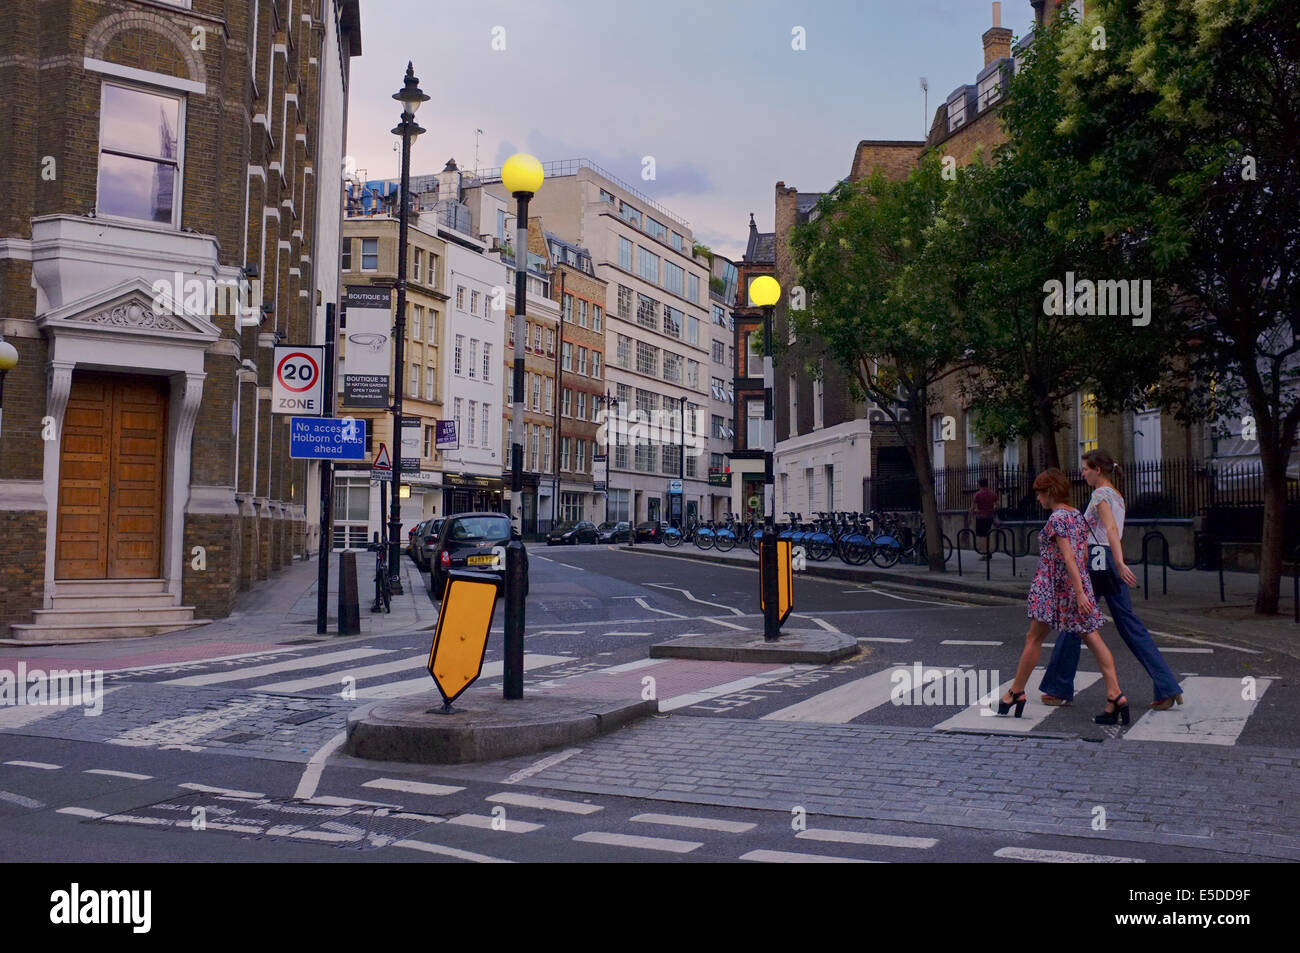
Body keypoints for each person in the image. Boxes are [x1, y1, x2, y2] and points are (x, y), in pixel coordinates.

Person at [1040, 450, 1184, 710]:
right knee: (1130, 625)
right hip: (1108, 562)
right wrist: (1117, 562)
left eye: (1085, 469)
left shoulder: (1100, 495)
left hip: (1097, 563)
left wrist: (1119, 562)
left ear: (1098, 470)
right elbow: (1112, 530)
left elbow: (1110, 529)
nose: (1082, 473)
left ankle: (1057, 687)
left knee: (1075, 620)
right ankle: (1167, 685)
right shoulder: (1118, 496)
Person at [997, 468, 1128, 725]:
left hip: (1055, 589)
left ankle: (1015, 692)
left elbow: (1068, 557)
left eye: (1039, 493)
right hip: (1076, 586)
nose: (1037, 499)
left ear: (1049, 492)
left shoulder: (1057, 518)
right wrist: (1081, 589)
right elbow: (1083, 556)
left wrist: (1077, 592)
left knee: (1033, 639)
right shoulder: (1077, 515)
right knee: (1093, 637)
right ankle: (1115, 694)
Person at [968, 478, 998, 560]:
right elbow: (996, 506)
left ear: (979, 484)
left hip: (981, 517)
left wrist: (970, 515)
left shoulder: (978, 494)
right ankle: (988, 551)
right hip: (990, 516)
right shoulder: (992, 494)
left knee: (982, 536)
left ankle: (985, 553)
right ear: (987, 484)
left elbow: (973, 507)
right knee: (988, 534)